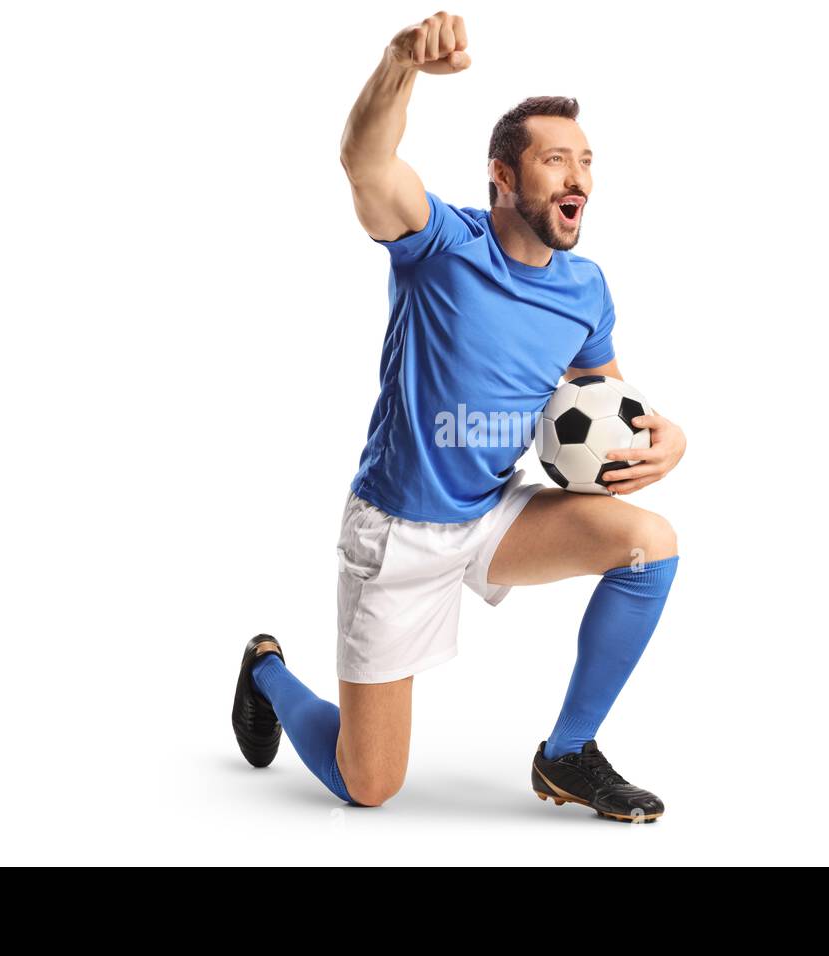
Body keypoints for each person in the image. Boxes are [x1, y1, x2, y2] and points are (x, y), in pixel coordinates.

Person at [231, 12, 686, 822]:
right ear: (504, 177)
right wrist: (400, 62)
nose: (578, 174)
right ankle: (265, 668)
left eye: (586, 160)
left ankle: (567, 755)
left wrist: (670, 436)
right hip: (397, 530)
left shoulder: (586, 290)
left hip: (493, 515)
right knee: (368, 784)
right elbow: (364, 160)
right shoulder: (439, 244)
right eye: (556, 159)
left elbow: (612, 407)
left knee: (649, 546)